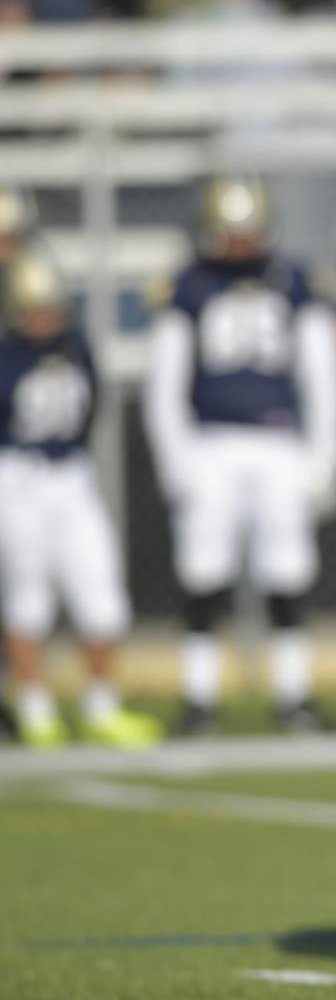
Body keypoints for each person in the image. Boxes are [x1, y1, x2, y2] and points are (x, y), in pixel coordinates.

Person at [144, 175, 336, 733]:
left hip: (279, 440)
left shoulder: (294, 281)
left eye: (246, 231)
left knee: (288, 571)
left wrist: (324, 454)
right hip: (211, 441)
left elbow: (323, 375)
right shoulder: (188, 286)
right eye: (229, 233)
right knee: (203, 572)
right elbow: (165, 386)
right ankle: (199, 699)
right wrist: (174, 458)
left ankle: (293, 697)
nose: (238, 243)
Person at [0, 248, 160, 748]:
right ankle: (35, 707)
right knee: (28, 595)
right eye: (36, 309)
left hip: (71, 476)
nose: (46, 319)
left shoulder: (76, 347)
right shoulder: (7, 354)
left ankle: (101, 705)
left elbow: (93, 407)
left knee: (101, 590)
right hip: (18, 476)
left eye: (52, 308)